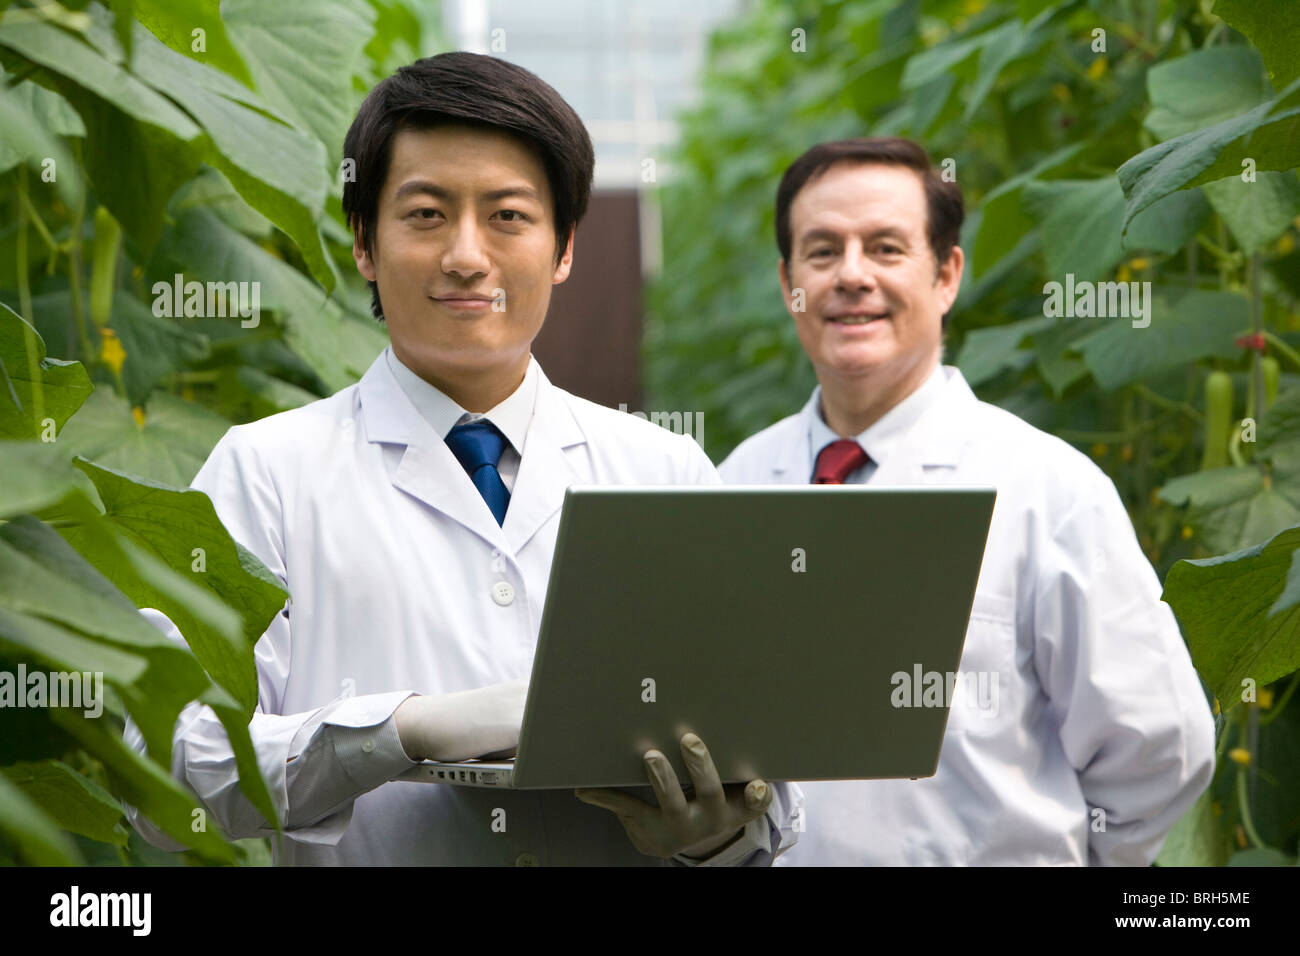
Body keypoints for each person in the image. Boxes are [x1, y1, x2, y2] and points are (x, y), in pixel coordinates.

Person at [122, 52, 801, 866]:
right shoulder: (265, 471)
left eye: (509, 216)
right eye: (427, 214)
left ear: (563, 249)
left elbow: (767, 763)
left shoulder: (667, 470)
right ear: (365, 244)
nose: (467, 256)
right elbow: (158, 771)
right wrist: (396, 731)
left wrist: (717, 836)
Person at [718, 137, 1214, 866]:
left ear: (947, 275)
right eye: (822, 252)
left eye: (886, 248)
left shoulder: (1048, 490)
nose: (852, 276)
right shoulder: (731, 487)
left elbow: (1160, 748)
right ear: (789, 280)